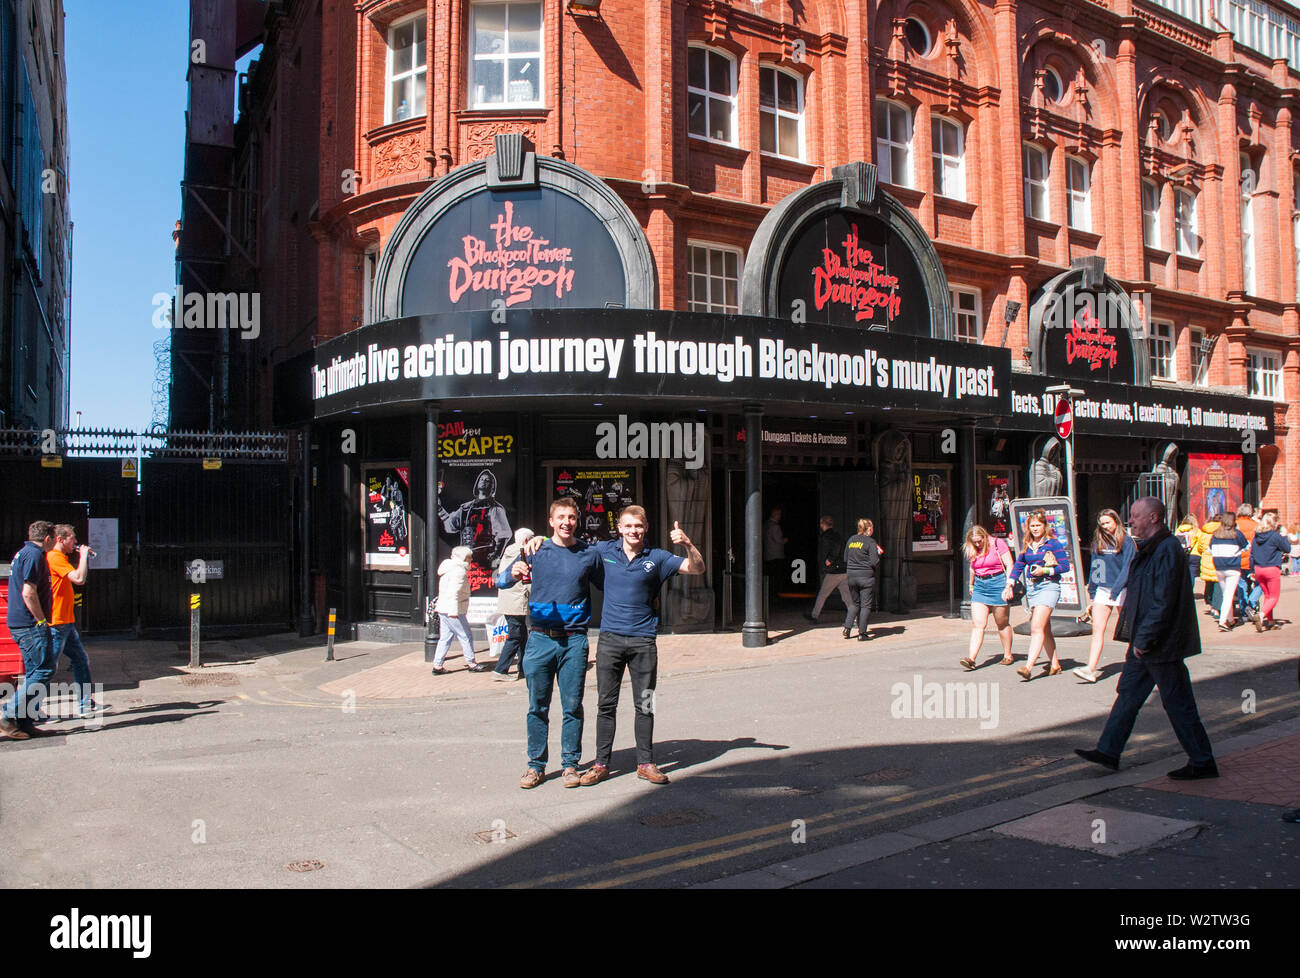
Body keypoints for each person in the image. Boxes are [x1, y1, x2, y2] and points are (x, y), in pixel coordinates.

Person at [1076, 496, 1218, 780]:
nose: (1131, 522)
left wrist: (1145, 639)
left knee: (1178, 702)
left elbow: (1162, 601)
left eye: (1136, 516)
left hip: (1159, 644)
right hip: (1144, 641)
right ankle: (1108, 750)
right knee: (1128, 694)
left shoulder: (1167, 549)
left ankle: (1202, 761)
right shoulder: (1150, 548)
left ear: (1154, 518)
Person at [579, 506, 705, 787]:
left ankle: (646, 763)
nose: (633, 530)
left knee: (645, 704)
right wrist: (539, 541)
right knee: (605, 705)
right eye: (628, 526)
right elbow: (572, 547)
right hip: (610, 640)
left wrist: (687, 543)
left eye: (638, 526)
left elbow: (697, 568)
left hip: (643, 641)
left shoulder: (658, 557)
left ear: (646, 527)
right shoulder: (604, 551)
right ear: (620, 528)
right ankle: (600, 764)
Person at [498, 497, 605, 789]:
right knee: (537, 707)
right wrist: (513, 572)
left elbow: (609, 584)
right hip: (540, 640)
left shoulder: (588, 553)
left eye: (571, 517)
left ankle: (570, 765)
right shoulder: (536, 549)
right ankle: (535, 767)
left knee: (573, 706)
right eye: (561, 517)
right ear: (551, 521)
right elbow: (502, 581)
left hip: (574, 640)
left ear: (577, 520)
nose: (566, 522)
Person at [1, 522, 57, 740]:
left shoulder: (22, 553)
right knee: (43, 670)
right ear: (47, 539)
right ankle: (8, 714)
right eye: (53, 537)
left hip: (20, 623)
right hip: (29, 624)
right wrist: (41, 619)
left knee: (35, 671)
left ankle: (25, 722)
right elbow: (28, 592)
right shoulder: (34, 556)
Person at [1004, 508, 1071, 680]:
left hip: (1049, 587)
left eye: (1038, 525)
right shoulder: (1027, 544)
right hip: (1033, 589)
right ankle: (1055, 664)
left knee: (1036, 627)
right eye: (1032, 526)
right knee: (1044, 629)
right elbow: (1019, 565)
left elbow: (1064, 567)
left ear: (1044, 526)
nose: (1035, 529)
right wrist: (1010, 584)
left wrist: (1044, 570)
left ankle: (1028, 666)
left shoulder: (1053, 543)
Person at [1074, 509, 1136, 684]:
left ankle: (1137, 665)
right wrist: (1092, 592)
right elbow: (1096, 567)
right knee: (1098, 629)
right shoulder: (1099, 542)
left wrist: (1117, 589)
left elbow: (1128, 567)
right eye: (1102, 523)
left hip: (1122, 589)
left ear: (1116, 521)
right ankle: (1091, 669)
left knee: (1132, 629)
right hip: (1103, 589)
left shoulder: (1127, 541)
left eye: (1108, 522)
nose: (1105, 526)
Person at [46, 525, 100, 717]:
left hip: (66, 622)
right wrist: (83, 556)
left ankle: (86, 704)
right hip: (57, 622)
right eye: (72, 539)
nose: (75, 543)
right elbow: (79, 578)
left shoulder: (62, 558)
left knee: (80, 659)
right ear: (60, 539)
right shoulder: (55, 557)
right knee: (45, 668)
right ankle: (31, 710)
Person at [959, 525, 1014, 670]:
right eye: (974, 542)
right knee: (978, 624)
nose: (977, 544)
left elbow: (1009, 564)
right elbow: (972, 568)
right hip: (980, 586)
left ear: (985, 536)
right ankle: (971, 658)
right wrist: (971, 585)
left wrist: (1009, 585)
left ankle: (1008, 654)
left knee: (1001, 623)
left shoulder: (997, 543)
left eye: (979, 541)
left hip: (998, 583)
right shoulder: (972, 548)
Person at [439, 469, 512, 569]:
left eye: (487, 480)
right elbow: (450, 526)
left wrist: (495, 556)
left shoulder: (496, 508)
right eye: (482, 479)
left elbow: (504, 534)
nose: (483, 481)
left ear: (492, 486)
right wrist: (440, 510)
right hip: (466, 561)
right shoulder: (465, 507)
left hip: (486, 563)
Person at [431, 546, 487, 674]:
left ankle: (437, 665)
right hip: (453, 609)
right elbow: (454, 592)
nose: (471, 559)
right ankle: (471, 663)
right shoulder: (459, 571)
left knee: (445, 637)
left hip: (443, 608)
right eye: (469, 557)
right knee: (465, 635)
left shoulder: (448, 568)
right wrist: (454, 612)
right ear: (463, 558)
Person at [492, 528, 534, 681]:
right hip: (516, 600)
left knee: (522, 634)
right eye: (532, 539)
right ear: (526, 541)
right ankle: (500, 669)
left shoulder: (508, 552)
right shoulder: (523, 553)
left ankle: (523, 668)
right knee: (516, 635)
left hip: (510, 600)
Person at [842, 518, 881, 641]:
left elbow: (845, 558)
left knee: (854, 603)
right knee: (865, 606)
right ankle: (862, 633)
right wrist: (878, 553)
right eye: (872, 528)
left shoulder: (851, 540)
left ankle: (847, 628)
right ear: (869, 529)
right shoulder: (871, 542)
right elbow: (874, 562)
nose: (872, 530)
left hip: (851, 577)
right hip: (866, 578)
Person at [1208, 512, 1248, 631]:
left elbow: (1210, 550)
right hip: (1233, 567)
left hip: (1219, 567)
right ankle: (1223, 621)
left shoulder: (1216, 535)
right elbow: (1246, 546)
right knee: (1228, 595)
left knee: (1226, 594)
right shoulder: (1237, 534)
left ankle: (1230, 620)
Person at [807, 515, 850, 623]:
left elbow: (833, 549)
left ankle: (814, 616)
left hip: (833, 571)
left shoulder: (826, 536)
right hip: (843, 569)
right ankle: (853, 618)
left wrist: (829, 560)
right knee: (847, 596)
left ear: (822, 524)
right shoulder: (838, 535)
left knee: (822, 594)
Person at [1249, 513, 1287, 629]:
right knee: (1274, 597)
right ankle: (1261, 615)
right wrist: (1284, 537)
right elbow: (1287, 548)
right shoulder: (1275, 536)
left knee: (1267, 595)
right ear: (1274, 523)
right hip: (1272, 568)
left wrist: (1252, 570)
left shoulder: (1256, 537)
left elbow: (1252, 555)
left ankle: (1270, 622)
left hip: (1259, 569)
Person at [1191, 514, 1221, 613]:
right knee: (1217, 583)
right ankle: (1216, 606)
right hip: (1217, 560)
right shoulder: (1221, 532)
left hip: (1206, 560)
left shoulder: (1204, 533)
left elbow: (1199, 547)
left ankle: (1209, 600)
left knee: (1208, 581)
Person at [764, 507, 787, 594]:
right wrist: (785, 540)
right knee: (776, 576)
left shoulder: (766, 524)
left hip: (768, 554)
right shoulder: (775, 526)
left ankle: (770, 593)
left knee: (770, 575)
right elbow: (779, 540)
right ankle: (775, 593)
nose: (780, 516)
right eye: (779, 514)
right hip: (776, 555)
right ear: (775, 515)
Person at [1175, 513, 1199, 588]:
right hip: (1194, 554)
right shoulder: (1196, 531)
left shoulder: (1179, 530)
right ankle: (1190, 592)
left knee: (1181, 573)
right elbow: (1201, 542)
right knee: (1192, 573)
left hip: (1181, 553)